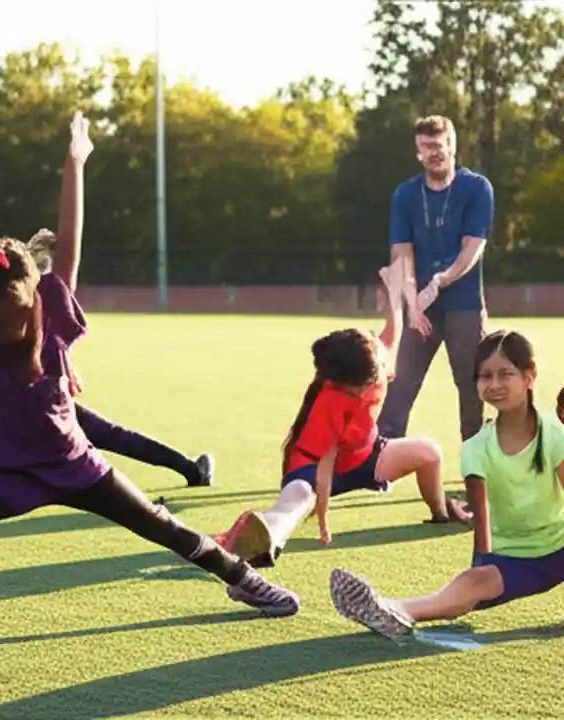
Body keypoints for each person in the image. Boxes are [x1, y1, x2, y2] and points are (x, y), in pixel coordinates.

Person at [0, 114, 300, 655]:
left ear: (33, 298)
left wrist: (76, 160)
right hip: (6, 470)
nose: (7, 330)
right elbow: (6, 303)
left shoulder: (50, 308)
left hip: (76, 463)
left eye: (14, 317)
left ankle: (242, 578)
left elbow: (69, 245)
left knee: (160, 524)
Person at [0, 117, 211, 545]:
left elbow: (48, 309)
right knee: (104, 442)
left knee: (2, 466)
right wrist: (75, 163)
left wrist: (74, 162)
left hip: (43, 415)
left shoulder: (5, 317)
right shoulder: (29, 306)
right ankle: (187, 471)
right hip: (49, 419)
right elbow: (67, 259)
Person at [213, 260, 470, 568]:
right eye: (349, 390)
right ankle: (266, 536)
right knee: (298, 499)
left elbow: (395, 330)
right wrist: (323, 520)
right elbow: (326, 465)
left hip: (364, 457)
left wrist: (393, 293)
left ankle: (441, 513)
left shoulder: (375, 360)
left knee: (429, 452)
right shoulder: (331, 398)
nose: (356, 396)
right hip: (312, 465)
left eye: (359, 389)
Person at [330, 331, 564, 640]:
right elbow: (481, 518)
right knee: (473, 581)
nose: (494, 384)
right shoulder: (475, 449)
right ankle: (393, 609)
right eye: (485, 376)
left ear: (529, 376)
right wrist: (481, 578)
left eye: (505, 374)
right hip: (517, 560)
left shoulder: (554, 433)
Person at [378, 115, 495, 446]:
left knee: (471, 384)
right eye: (425, 147)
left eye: (438, 145)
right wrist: (412, 301)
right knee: (401, 381)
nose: (433, 153)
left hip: (464, 304)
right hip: (421, 307)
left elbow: (473, 248)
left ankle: (475, 460)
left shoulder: (476, 188)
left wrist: (439, 282)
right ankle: (381, 458)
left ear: (451, 146)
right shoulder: (405, 195)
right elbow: (402, 252)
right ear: (417, 152)